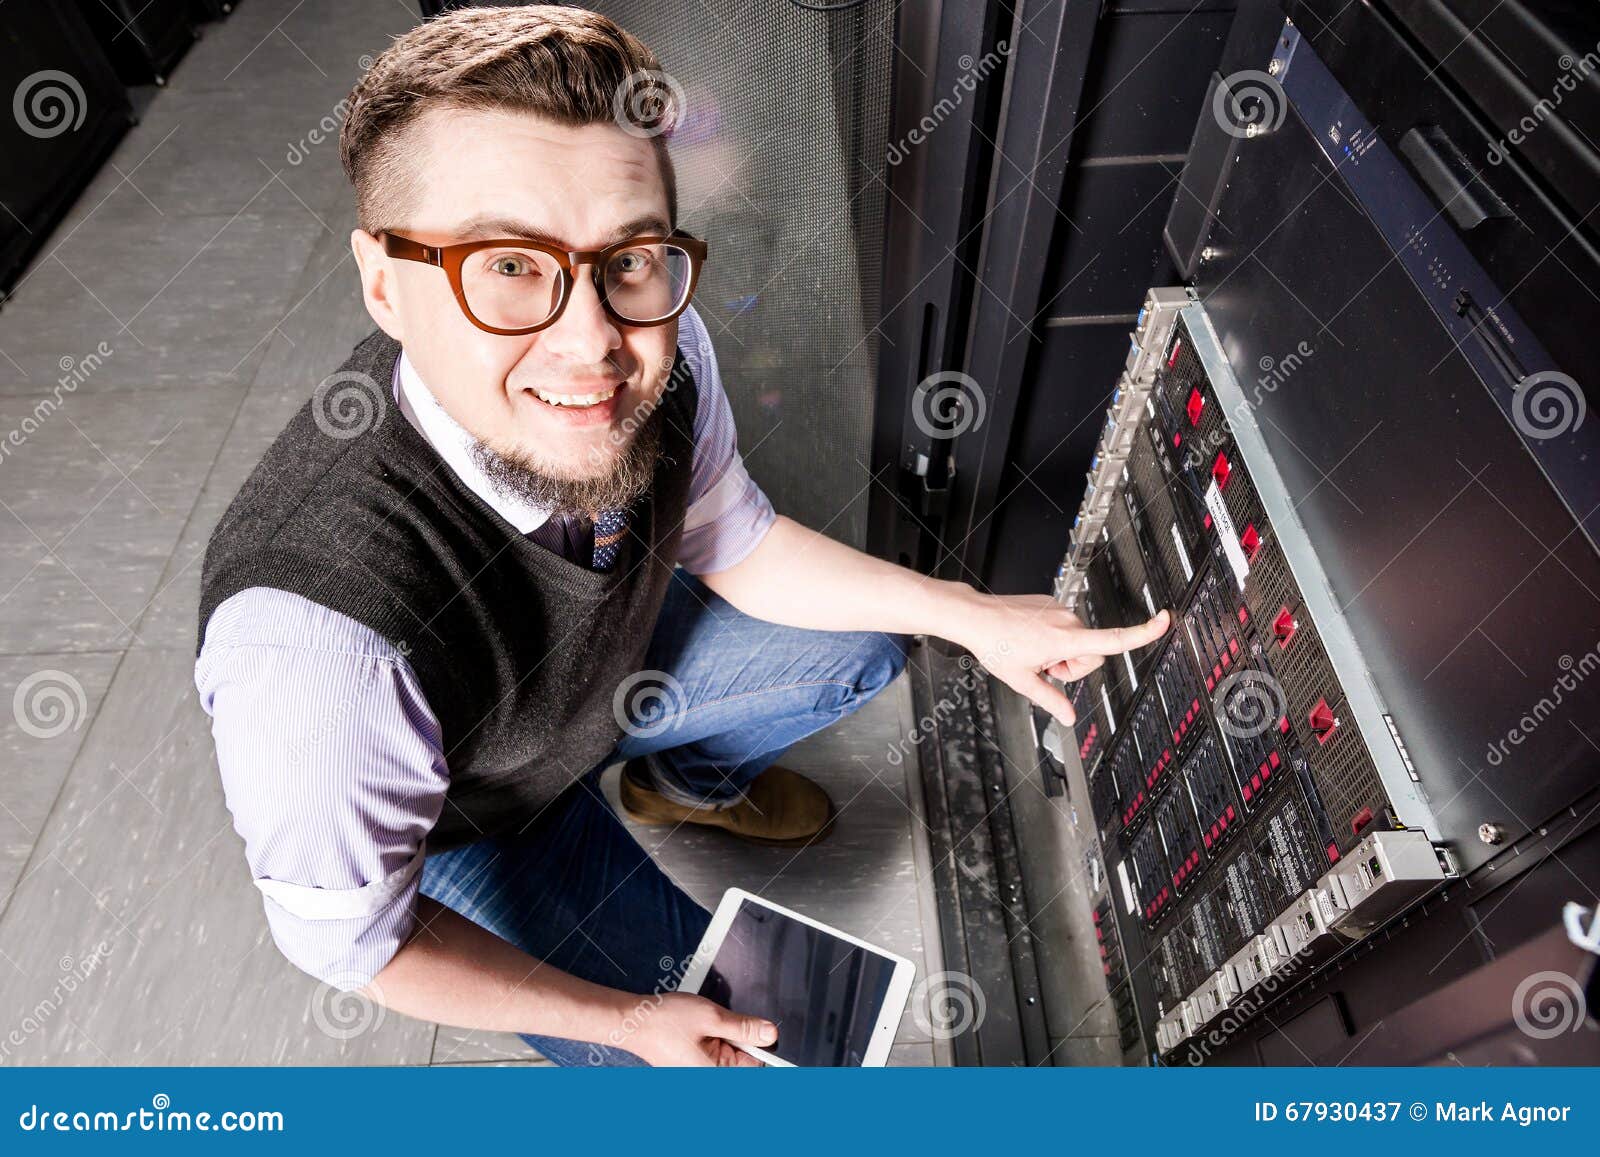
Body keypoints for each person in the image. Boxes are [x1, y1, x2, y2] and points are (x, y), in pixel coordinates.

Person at [193, 5, 1168, 1067]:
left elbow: (734, 540)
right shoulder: (316, 648)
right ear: (385, 283)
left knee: (867, 644)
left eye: (627, 258)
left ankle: (681, 784)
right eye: (509, 265)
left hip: (585, 684)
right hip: (474, 818)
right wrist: (624, 1021)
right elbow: (359, 947)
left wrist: (970, 616)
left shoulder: (667, 341)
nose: (593, 345)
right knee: (740, 1071)